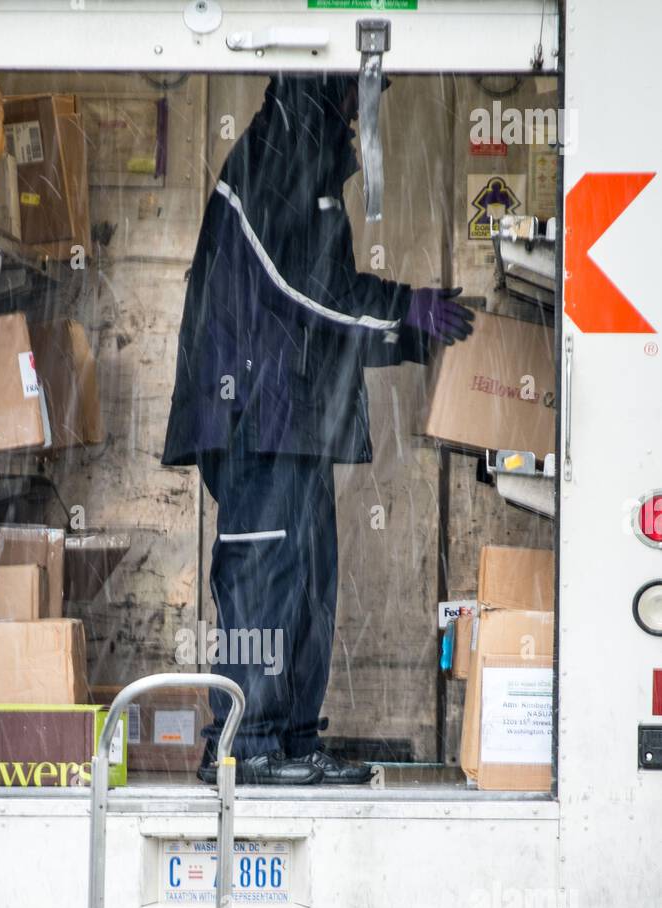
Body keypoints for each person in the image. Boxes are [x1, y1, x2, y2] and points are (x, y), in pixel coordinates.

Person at [162, 74, 474, 786]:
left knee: (307, 583)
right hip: (256, 413)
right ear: (337, 87)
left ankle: (292, 738)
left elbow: (316, 296)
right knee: (264, 579)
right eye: (369, 90)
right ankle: (245, 744)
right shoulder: (280, 148)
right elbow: (300, 287)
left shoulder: (308, 150)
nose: (373, 106)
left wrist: (403, 321)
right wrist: (402, 310)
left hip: (290, 413)